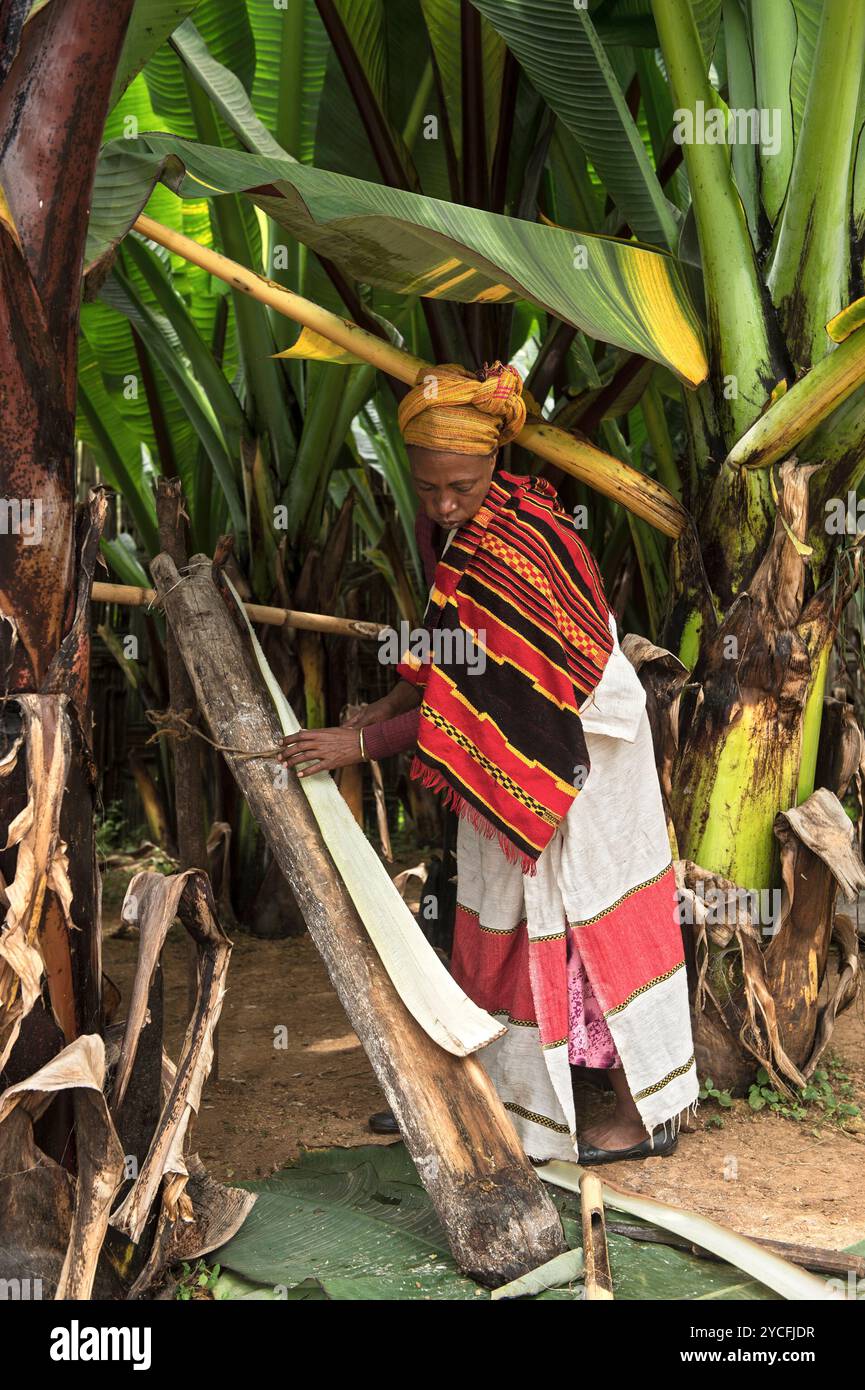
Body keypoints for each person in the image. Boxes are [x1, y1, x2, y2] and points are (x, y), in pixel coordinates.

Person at [277, 361, 699, 1165]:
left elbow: (499, 696)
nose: (441, 503)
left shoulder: (524, 546)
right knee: (499, 916)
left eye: (459, 486)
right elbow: (450, 644)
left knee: (589, 922)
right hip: (523, 754)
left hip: (580, 756)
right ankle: (498, 1097)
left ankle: (645, 1117)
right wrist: (389, 707)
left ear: (493, 468)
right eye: (428, 485)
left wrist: (359, 744)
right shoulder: (473, 524)